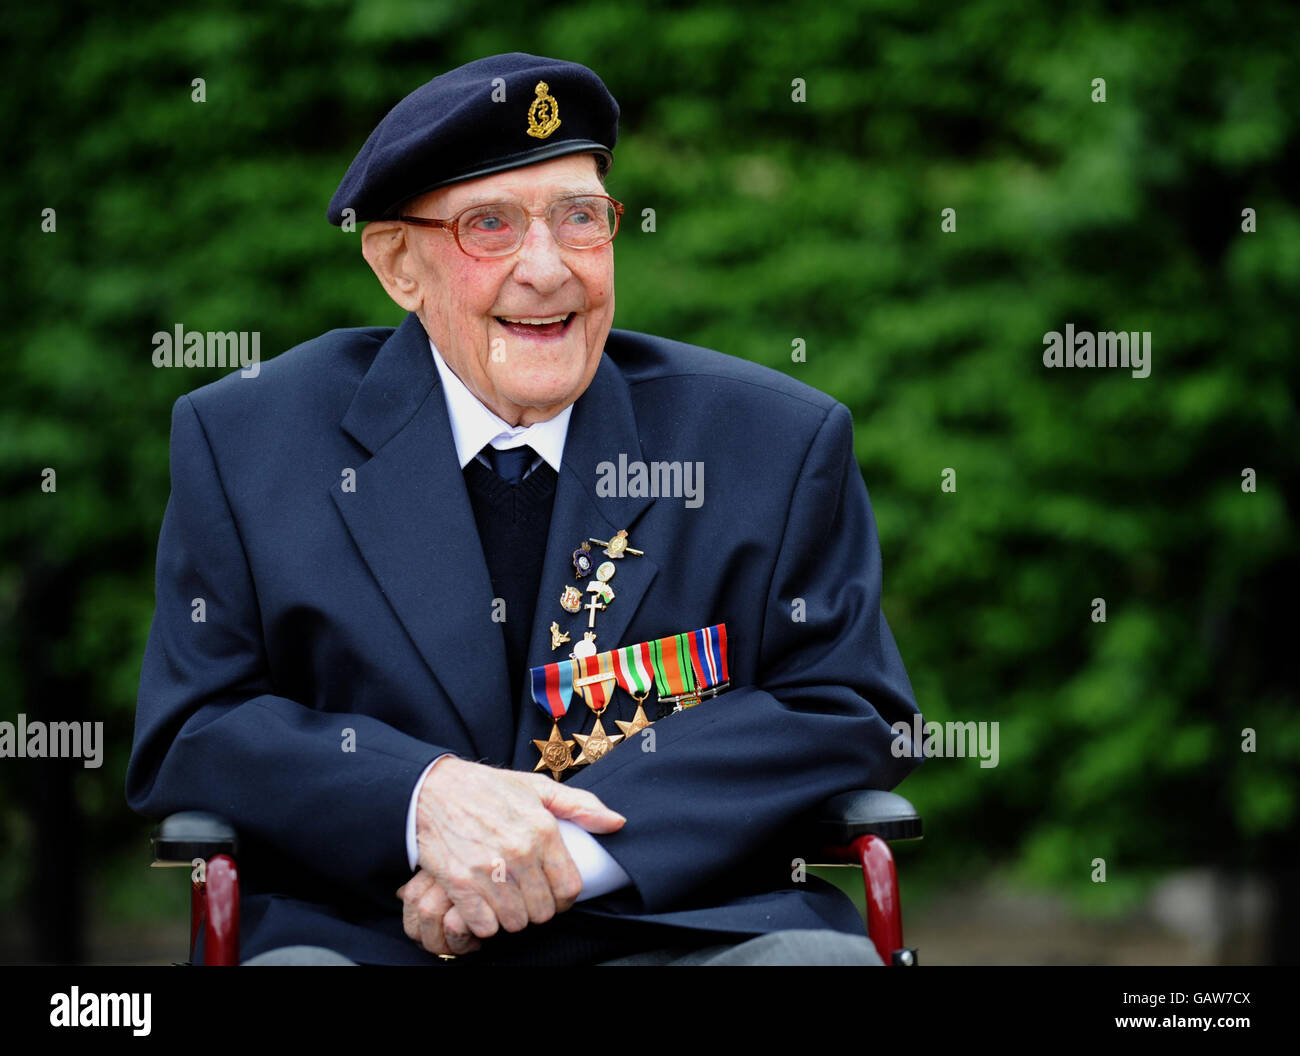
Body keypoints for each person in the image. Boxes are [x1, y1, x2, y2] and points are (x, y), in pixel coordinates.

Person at [126, 52, 923, 966]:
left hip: (680, 930)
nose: (546, 270)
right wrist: (419, 798)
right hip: (365, 932)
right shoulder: (249, 442)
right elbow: (194, 731)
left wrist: (568, 856)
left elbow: (847, 708)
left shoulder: (768, 443)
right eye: (488, 226)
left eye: (580, 219)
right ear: (398, 265)